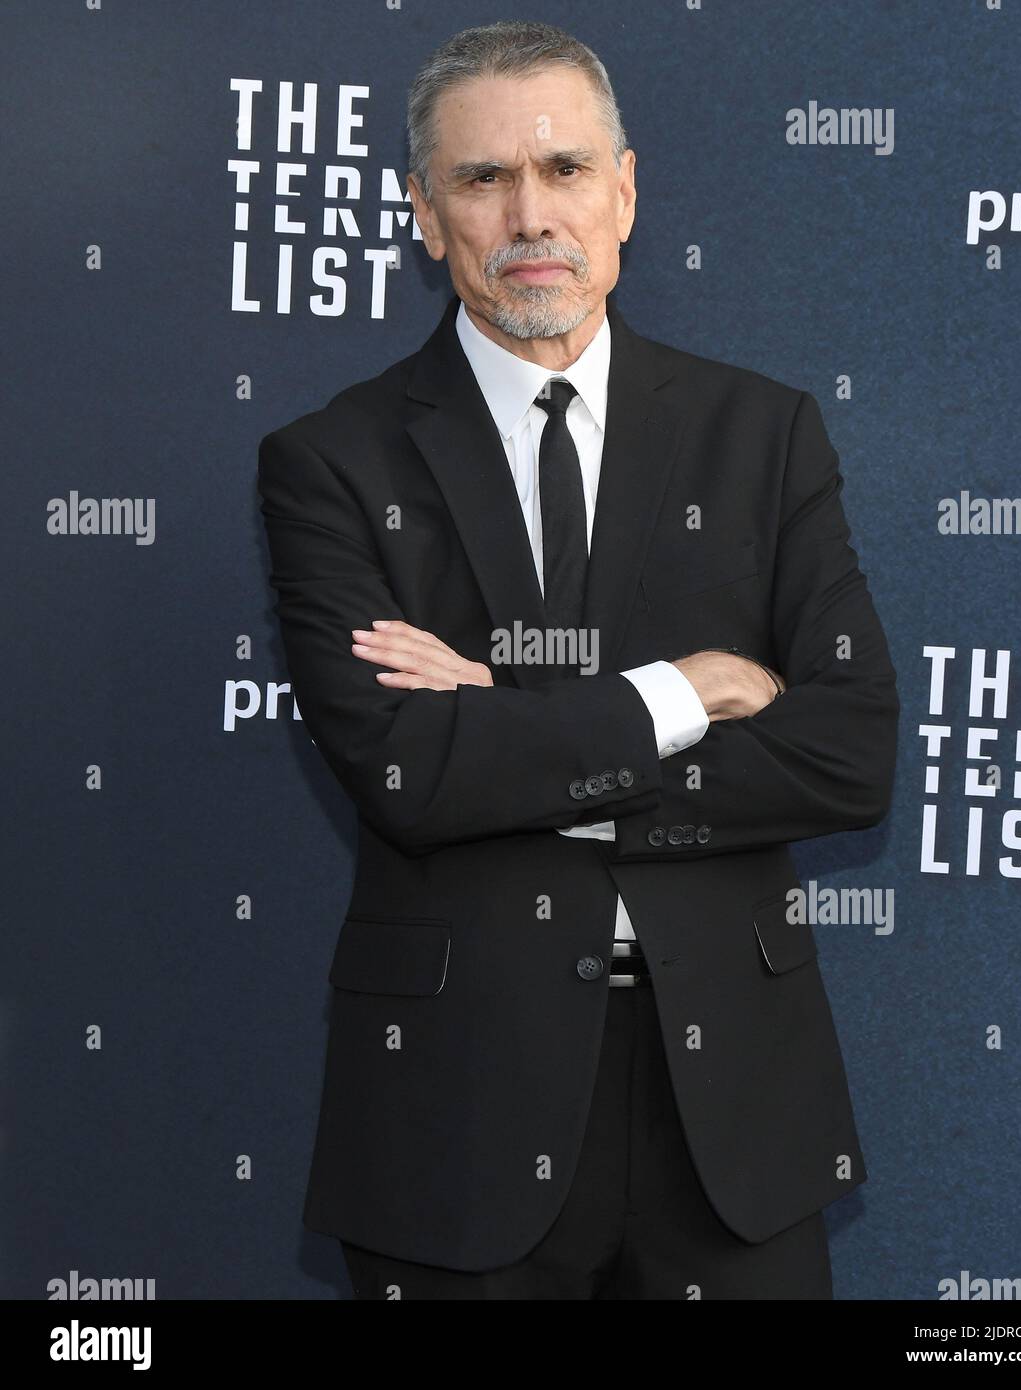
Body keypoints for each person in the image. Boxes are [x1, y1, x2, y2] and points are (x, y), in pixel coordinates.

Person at [256, 20, 899, 1300]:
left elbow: (848, 755)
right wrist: (685, 692)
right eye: (483, 179)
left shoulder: (760, 434)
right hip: (454, 1107)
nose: (528, 214)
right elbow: (410, 780)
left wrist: (508, 719)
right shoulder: (331, 462)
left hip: (732, 1115)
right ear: (424, 216)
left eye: (562, 169)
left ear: (624, 191)